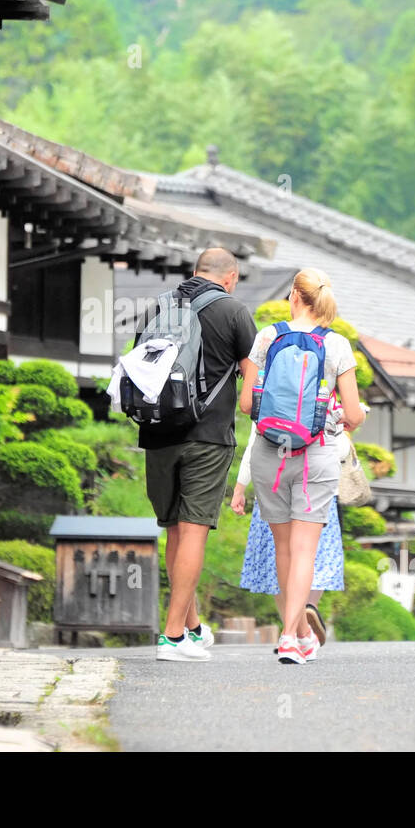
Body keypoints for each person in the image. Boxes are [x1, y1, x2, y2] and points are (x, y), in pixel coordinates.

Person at [239, 269, 363, 664]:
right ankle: (293, 636)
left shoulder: (267, 336)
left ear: (293, 296)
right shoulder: (338, 344)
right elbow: (355, 414)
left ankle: (297, 633)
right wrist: (343, 417)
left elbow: (246, 406)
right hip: (318, 453)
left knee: (282, 547)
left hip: (268, 453)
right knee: (305, 551)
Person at [144, 247, 258, 662]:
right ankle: (172, 637)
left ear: (195, 272)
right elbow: (250, 383)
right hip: (207, 436)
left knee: (173, 529)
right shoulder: (234, 311)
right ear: (230, 278)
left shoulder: (159, 306)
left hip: (157, 432)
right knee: (192, 531)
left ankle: (190, 629)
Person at [231, 422, 344, 646]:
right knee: (311, 557)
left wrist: (240, 487)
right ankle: (307, 610)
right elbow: (340, 449)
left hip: (273, 484)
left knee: (281, 556)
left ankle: (290, 630)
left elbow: (255, 442)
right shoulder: (324, 391)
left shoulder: (268, 391)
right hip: (315, 490)